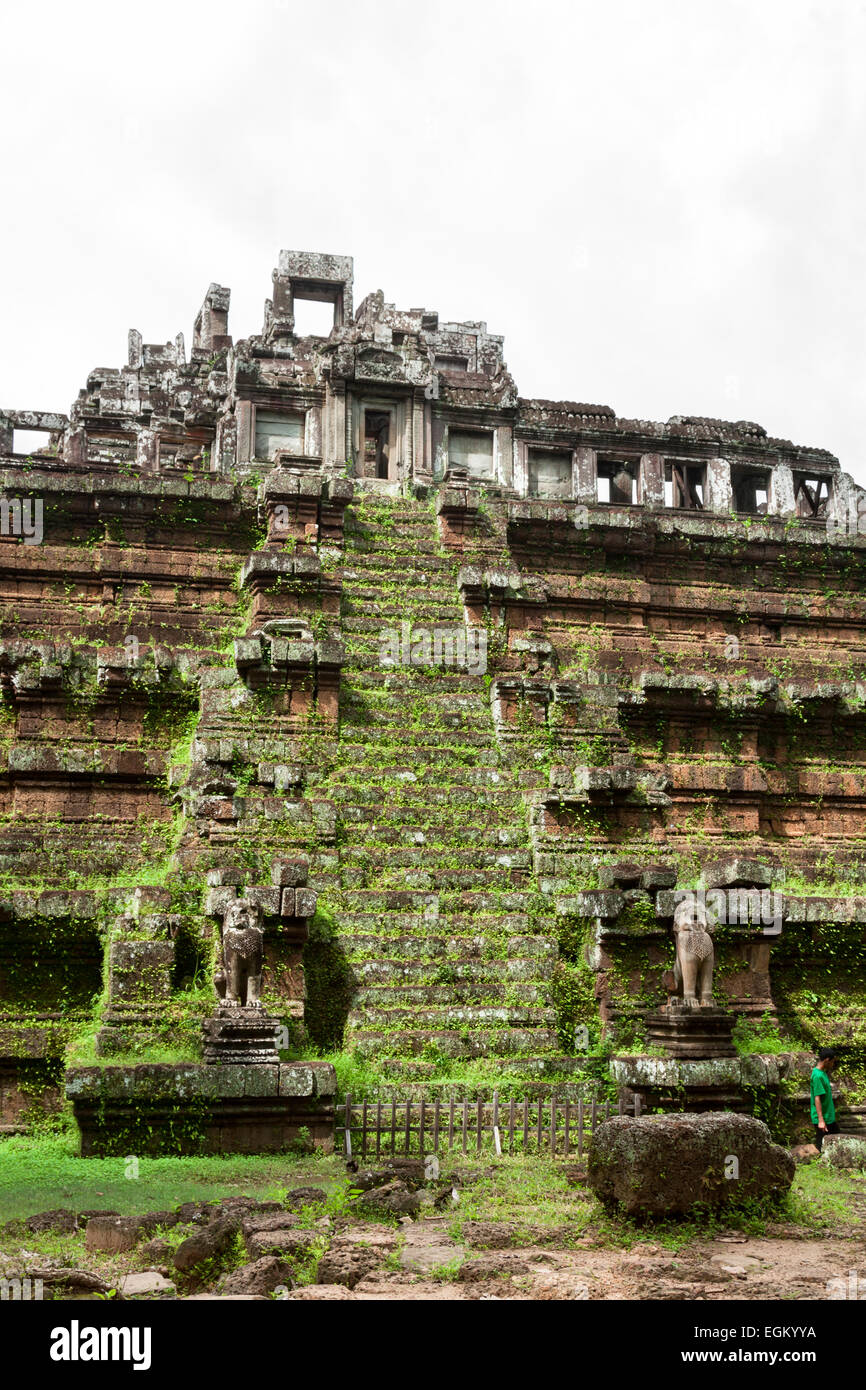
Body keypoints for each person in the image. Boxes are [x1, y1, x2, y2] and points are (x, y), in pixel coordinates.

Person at [810, 1047, 839, 1150]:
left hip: (828, 1116)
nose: (833, 1064)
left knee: (834, 1141)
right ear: (827, 1060)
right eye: (832, 1062)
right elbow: (817, 1098)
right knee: (823, 1145)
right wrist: (821, 1120)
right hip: (824, 1118)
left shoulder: (822, 1073)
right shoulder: (818, 1076)